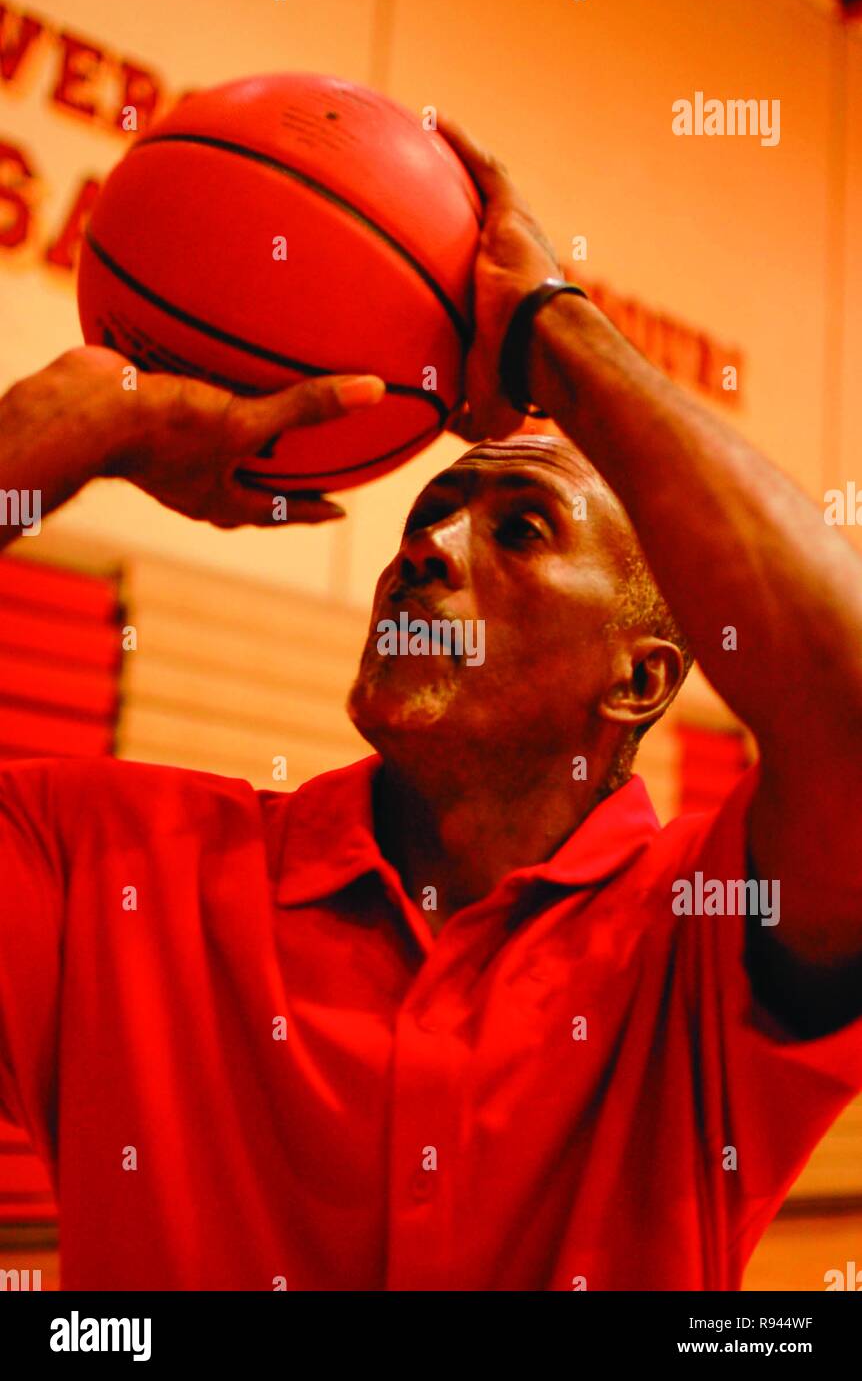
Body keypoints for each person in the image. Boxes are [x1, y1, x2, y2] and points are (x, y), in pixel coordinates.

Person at [0, 118, 860, 1292]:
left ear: (643, 677)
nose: (429, 549)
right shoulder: (104, 867)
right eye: (426, 513)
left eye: (521, 527)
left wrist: (560, 336)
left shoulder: (705, 947)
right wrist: (67, 424)